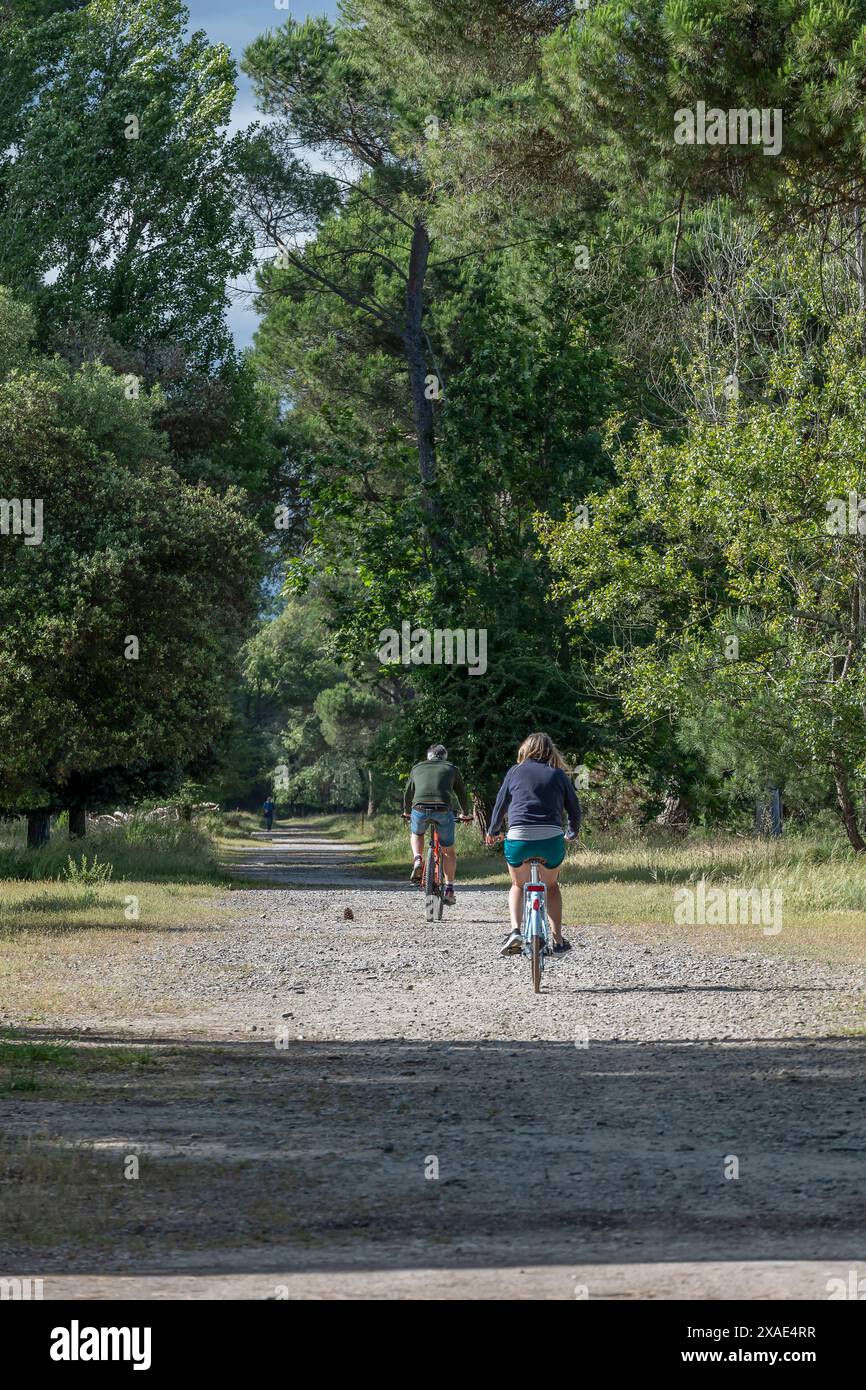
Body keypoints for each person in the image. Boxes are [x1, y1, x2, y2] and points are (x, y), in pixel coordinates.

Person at [485, 732, 581, 955]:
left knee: (518, 885)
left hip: (519, 839)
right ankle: (558, 940)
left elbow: (500, 805)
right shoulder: (558, 775)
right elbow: (575, 810)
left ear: (525, 749)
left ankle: (515, 931)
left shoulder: (514, 771)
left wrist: (493, 831)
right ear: (550, 750)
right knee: (551, 886)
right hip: (551, 839)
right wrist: (572, 833)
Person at [403, 744, 471, 905]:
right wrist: (465, 813)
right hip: (442, 809)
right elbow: (461, 792)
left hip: (419, 808)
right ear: (444, 757)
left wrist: (407, 812)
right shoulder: (451, 768)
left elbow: (407, 792)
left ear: (428, 757)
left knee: (417, 833)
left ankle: (418, 860)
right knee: (448, 851)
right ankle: (449, 888)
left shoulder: (417, 768)